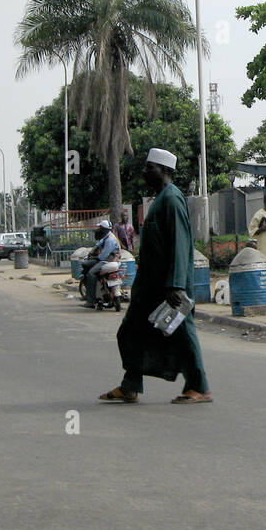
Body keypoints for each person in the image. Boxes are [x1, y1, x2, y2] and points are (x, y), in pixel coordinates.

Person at [102, 147, 210, 404]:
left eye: (149, 167)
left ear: (163, 170)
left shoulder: (172, 199)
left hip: (169, 287)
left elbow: (180, 243)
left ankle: (199, 387)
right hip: (150, 286)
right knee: (131, 331)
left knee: (183, 333)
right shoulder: (160, 199)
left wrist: (175, 284)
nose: (144, 171)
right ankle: (130, 386)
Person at [82, 219, 120, 309]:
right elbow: (98, 244)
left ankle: (91, 301)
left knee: (91, 273)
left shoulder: (110, 239)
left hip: (107, 261)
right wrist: (92, 252)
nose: (99, 229)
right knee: (87, 264)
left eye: (100, 227)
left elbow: (104, 255)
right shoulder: (106, 237)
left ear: (103, 229)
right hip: (108, 260)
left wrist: (95, 257)